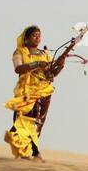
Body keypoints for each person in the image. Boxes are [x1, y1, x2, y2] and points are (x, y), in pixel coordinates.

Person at [4, 26, 76, 160]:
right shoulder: (20, 52)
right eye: (34, 35)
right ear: (26, 39)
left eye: (39, 35)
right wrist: (36, 64)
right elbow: (18, 69)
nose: (37, 38)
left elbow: (51, 73)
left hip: (44, 92)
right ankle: (34, 152)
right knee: (27, 120)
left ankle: (25, 147)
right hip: (27, 91)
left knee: (38, 122)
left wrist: (60, 64)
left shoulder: (44, 54)